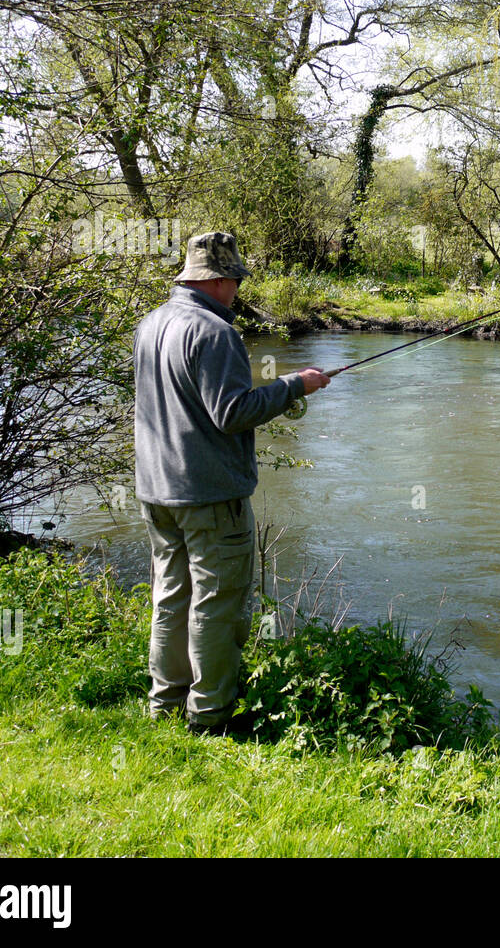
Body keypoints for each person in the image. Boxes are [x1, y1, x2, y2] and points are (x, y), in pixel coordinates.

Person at [133, 231, 330, 735]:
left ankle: (165, 706)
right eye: (236, 279)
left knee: (170, 598)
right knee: (216, 605)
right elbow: (232, 414)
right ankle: (210, 716)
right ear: (218, 280)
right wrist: (295, 386)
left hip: (157, 490)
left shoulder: (151, 324)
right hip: (209, 494)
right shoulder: (214, 333)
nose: (238, 289)